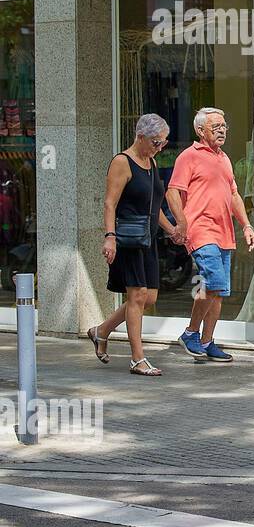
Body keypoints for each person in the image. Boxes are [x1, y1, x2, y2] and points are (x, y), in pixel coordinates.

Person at [89, 113, 185, 376]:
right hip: (128, 238)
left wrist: (173, 230)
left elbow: (154, 208)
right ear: (140, 136)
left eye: (164, 142)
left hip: (148, 239)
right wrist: (110, 236)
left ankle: (102, 331)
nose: (160, 147)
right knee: (137, 295)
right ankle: (137, 359)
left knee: (149, 298)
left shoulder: (151, 163)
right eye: (156, 142)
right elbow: (110, 203)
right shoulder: (123, 162)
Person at [166, 107, 254, 360]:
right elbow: (172, 192)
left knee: (218, 291)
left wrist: (247, 225)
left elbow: (234, 195)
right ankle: (191, 332)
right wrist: (181, 223)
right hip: (200, 229)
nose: (222, 131)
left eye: (224, 127)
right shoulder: (188, 157)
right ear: (200, 130)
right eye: (216, 127)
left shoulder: (224, 158)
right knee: (213, 282)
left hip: (224, 232)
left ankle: (207, 342)